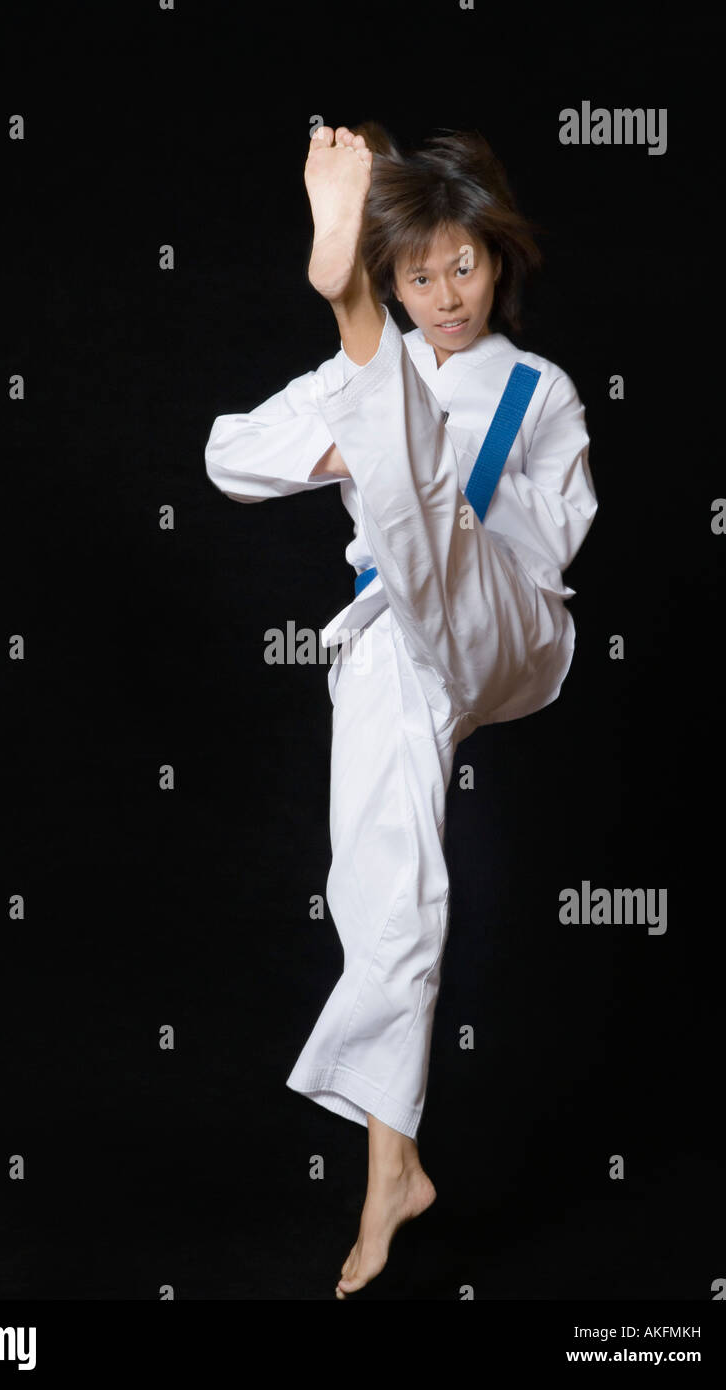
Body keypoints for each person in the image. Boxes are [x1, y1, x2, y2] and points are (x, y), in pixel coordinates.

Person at [205, 121, 597, 1297]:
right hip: (395, 640)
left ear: (495, 253)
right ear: (395, 277)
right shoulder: (381, 374)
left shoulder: (537, 389)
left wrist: (399, 456)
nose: (444, 294)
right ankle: (391, 1164)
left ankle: (346, 333)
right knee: (380, 882)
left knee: (419, 479)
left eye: (461, 266)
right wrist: (356, 440)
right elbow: (227, 454)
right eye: (412, 278)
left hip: (508, 619)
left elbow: (556, 532)